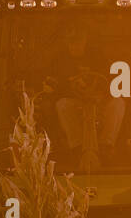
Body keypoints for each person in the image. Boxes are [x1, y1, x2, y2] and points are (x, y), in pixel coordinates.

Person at [48, 26, 125, 168]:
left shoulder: (98, 56)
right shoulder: (60, 60)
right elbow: (56, 85)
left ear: (85, 41)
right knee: (62, 105)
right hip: (75, 102)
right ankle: (77, 147)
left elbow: (110, 78)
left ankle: (105, 146)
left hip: (99, 101)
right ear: (67, 42)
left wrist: (101, 95)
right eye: (71, 42)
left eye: (78, 41)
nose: (75, 45)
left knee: (118, 103)